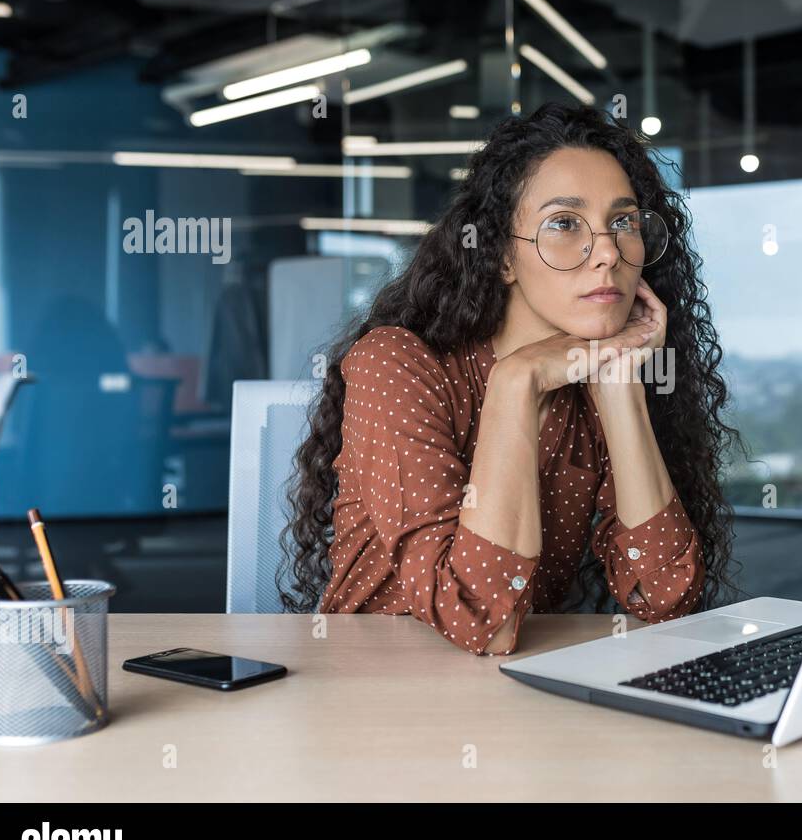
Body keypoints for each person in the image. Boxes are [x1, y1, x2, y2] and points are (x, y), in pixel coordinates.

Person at [283, 102, 743, 654]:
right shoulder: (395, 364)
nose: (607, 254)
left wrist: (619, 384)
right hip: (378, 698)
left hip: (516, 702)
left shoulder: (589, 384)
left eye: (623, 222)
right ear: (502, 256)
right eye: (565, 224)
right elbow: (483, 623)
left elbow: (666, 597)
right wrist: (516, 382)